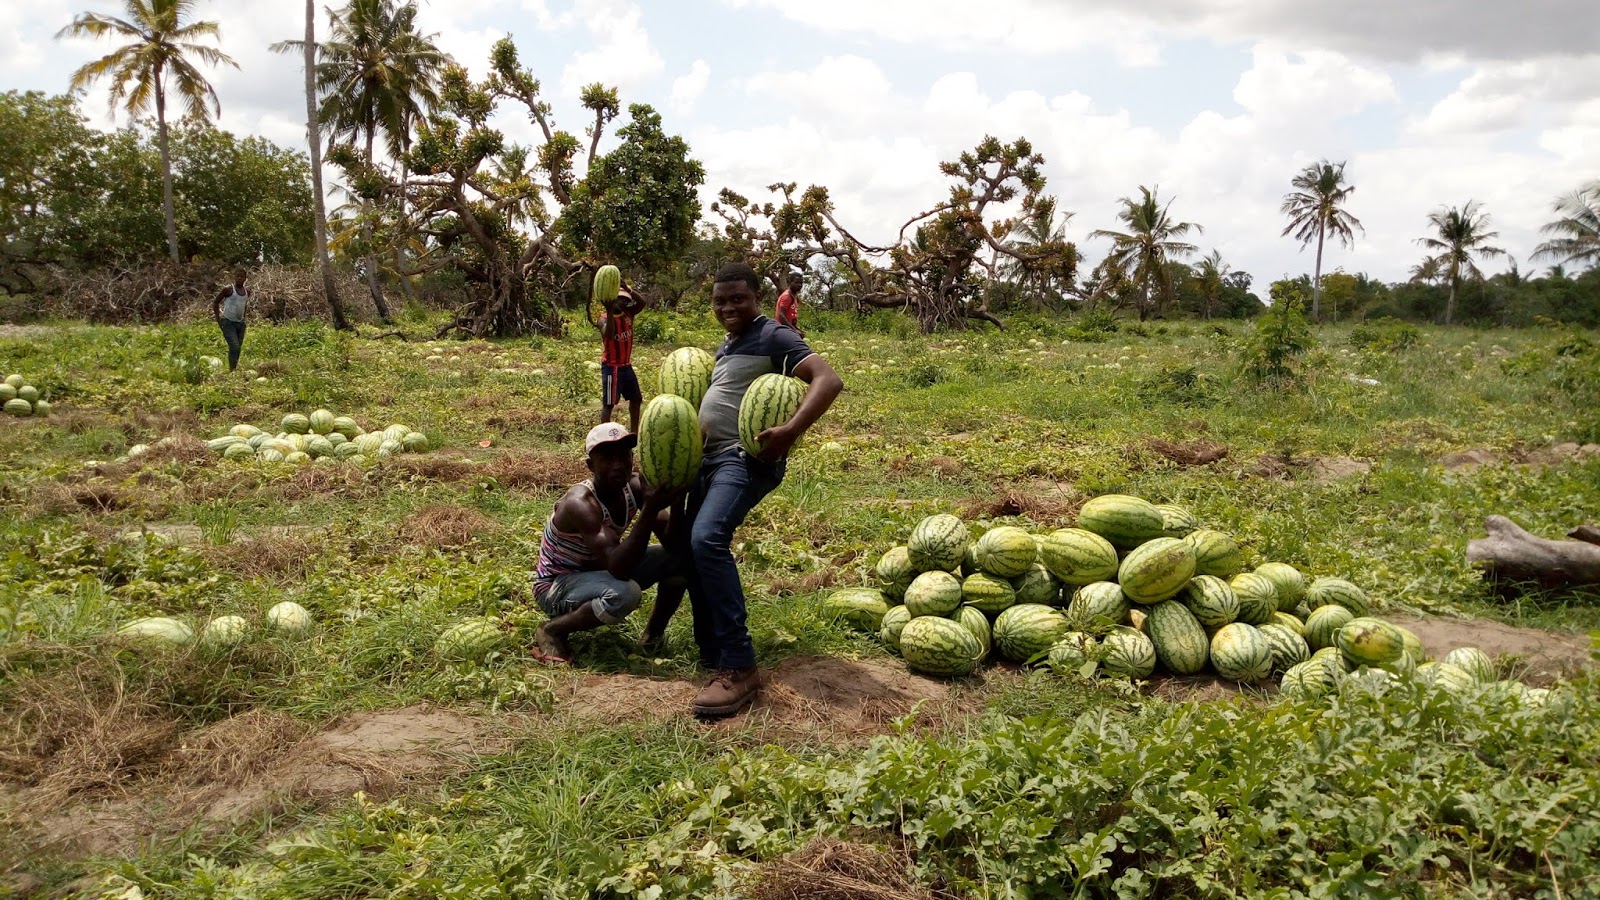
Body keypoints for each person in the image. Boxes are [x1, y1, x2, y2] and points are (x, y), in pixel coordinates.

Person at [677, 262, 842, 717]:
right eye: (720, 301)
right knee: (689, 548)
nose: (728, 307)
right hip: (708, 460)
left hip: (743, 458)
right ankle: (712, 648)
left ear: (756, 298)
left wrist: (789, 431)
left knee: (707, 539)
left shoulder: (774, 335)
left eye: (738, 299)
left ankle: (740, 667)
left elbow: (828, 380)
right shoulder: (727, 344)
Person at [532, 422, 686, 665]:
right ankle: (553, 630)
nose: (618, 464)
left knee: (681, 560)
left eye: (624, 455)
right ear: (590, 466)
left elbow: (673, 543)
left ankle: (652, 638)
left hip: (599, 571)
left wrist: (677, 502)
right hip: (557, 585)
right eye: (607, 458)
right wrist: (649, 509)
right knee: (625, 593)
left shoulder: (633, 487)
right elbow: (618, 568)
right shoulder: (580, 504)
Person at [599, 285, 648, 433]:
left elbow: (642, 303)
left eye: (625, 300)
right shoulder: (603, 319)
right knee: (609, 404)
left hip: (626, 366)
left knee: (636, 399)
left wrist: (628, 288)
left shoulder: (628, 314)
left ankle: (634, 433)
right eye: (619, 299)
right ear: (612, 300)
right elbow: (608, 333)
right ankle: (604, 435)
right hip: (611, 367)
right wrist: (609, 310)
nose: (623, 302)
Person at [211, 268, 250, 372]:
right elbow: (215, 302)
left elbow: (244, 305)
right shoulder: (228, 289)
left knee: (237, 348)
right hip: (228, 322)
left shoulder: (247, 292)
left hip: (240, 324)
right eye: (238, 276)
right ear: (235, 277)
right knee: (234, 346)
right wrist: (218, 319)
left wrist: (243, 319)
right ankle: (232, 370)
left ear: (245, 278)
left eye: (242, 276)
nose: (239, 278)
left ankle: (234, 369)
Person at [775, 271, 804, 336]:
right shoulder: (787, 296)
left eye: (801, 283)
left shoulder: (793, 297)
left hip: (787, 330)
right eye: (796, 282)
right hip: (782, 331)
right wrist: (794, 330)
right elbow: (781, 316)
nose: (799, 285)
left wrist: (797, 329)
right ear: (790, 282)